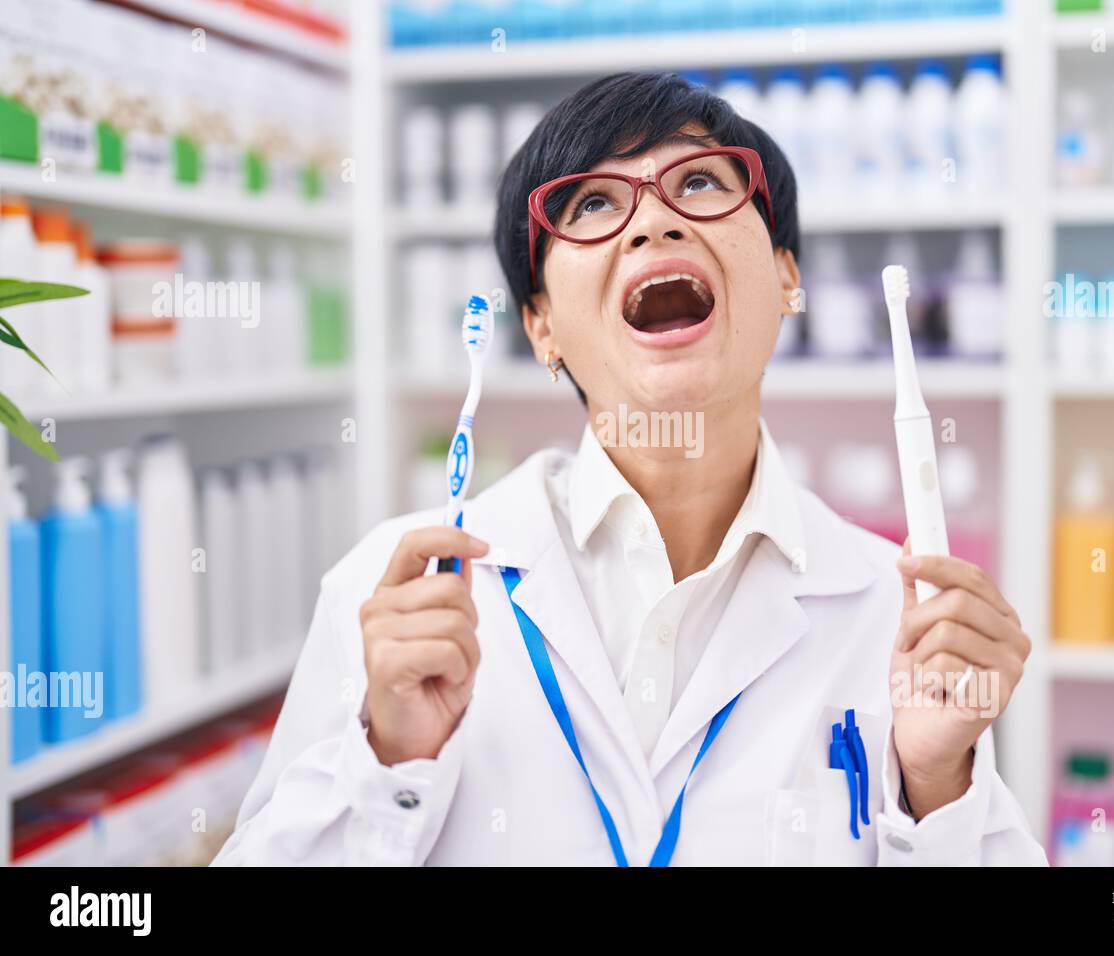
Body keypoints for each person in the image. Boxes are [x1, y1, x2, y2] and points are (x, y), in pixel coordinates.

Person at [215, 71, 1045, 866]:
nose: (654, 223)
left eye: (701, 185)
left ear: (787, 278)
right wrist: (389, 764)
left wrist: (938, 787)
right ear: (541, 328)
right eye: (595, 203)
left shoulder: (893, 615)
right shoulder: (392, 596)